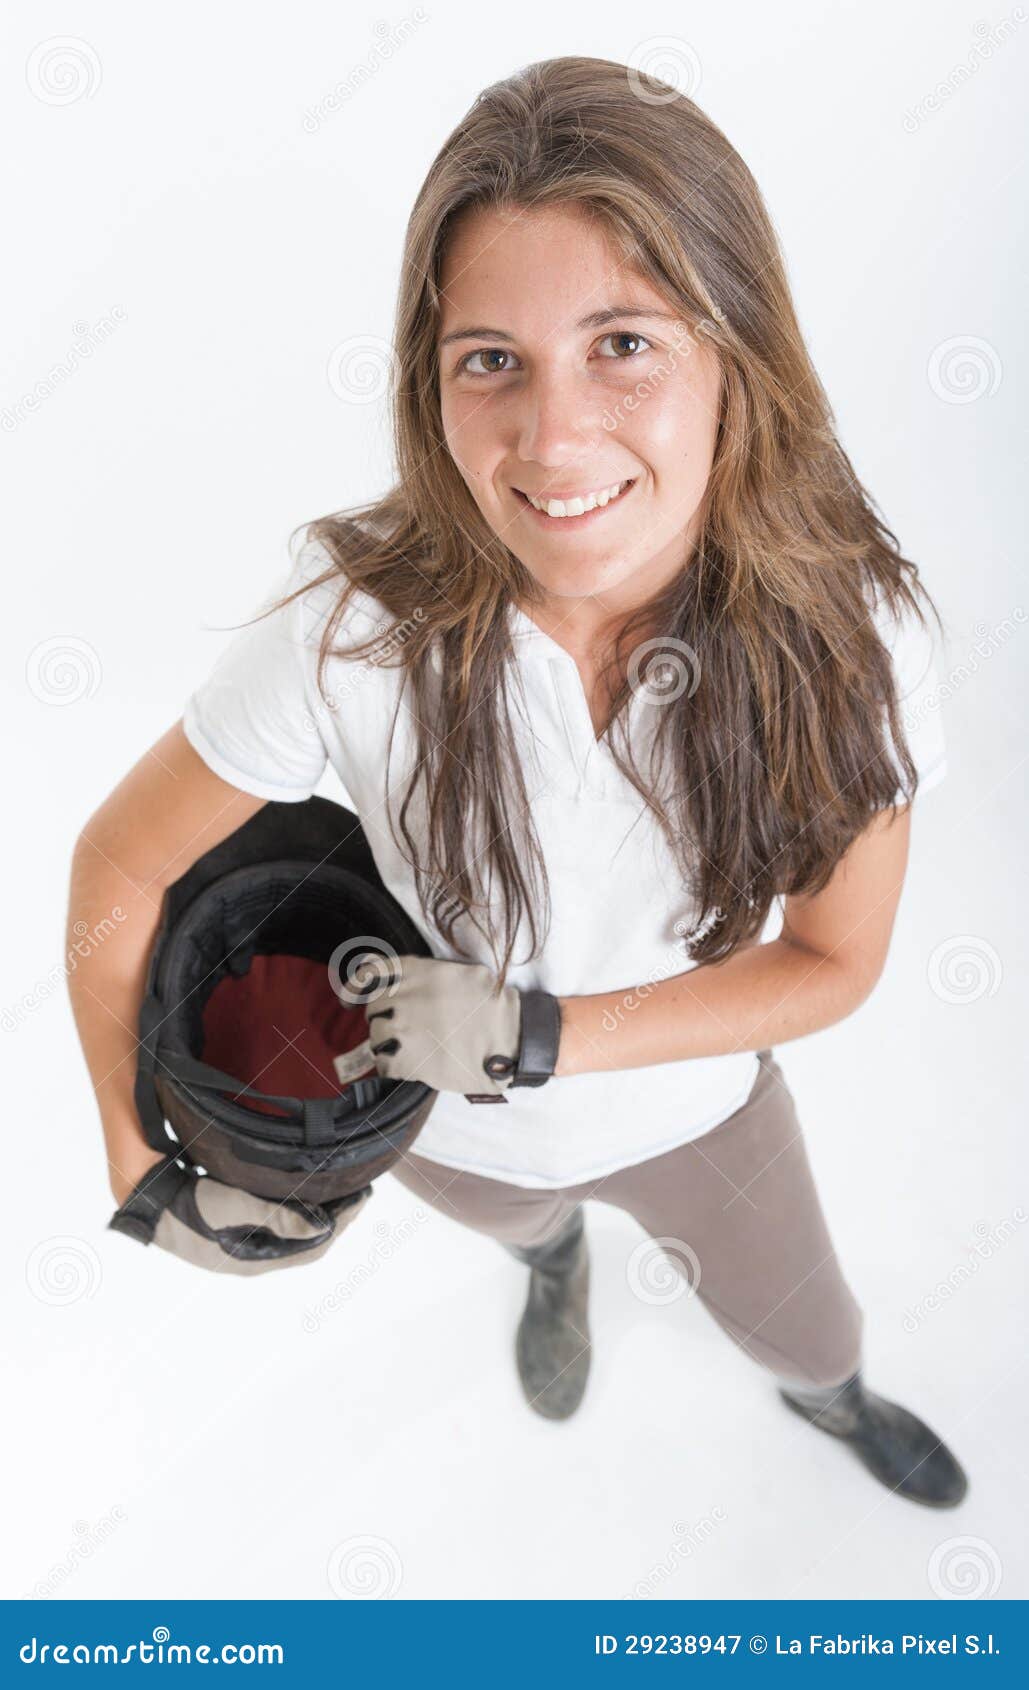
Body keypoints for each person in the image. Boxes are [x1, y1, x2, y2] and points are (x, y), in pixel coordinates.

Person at [67, 56, 967, 1507]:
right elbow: (117, 869)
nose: (552, 442)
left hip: (699, 1117)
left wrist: (541, 1031)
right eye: (492, 358)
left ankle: (834, 1398)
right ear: (432, 384)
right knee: (523, 1221)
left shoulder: (854, 635)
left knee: (799, 1315)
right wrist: (132, 1157)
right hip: (452, 1132)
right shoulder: (346, 628)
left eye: (623, 342)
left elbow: (832, 959)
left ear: (732, 348)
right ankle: (552, 1272)